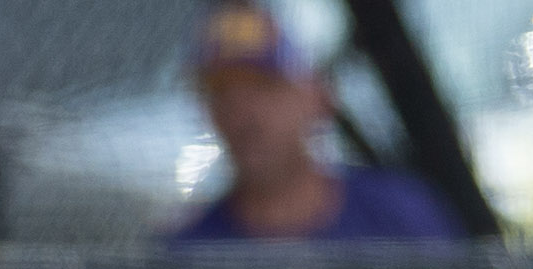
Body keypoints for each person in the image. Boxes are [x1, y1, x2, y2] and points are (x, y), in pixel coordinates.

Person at [169, 4, 464, 248]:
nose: (242, 112)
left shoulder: (404, 219)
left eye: (264, 86)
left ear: (319, 95)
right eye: (221, 92)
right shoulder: (186, 257)